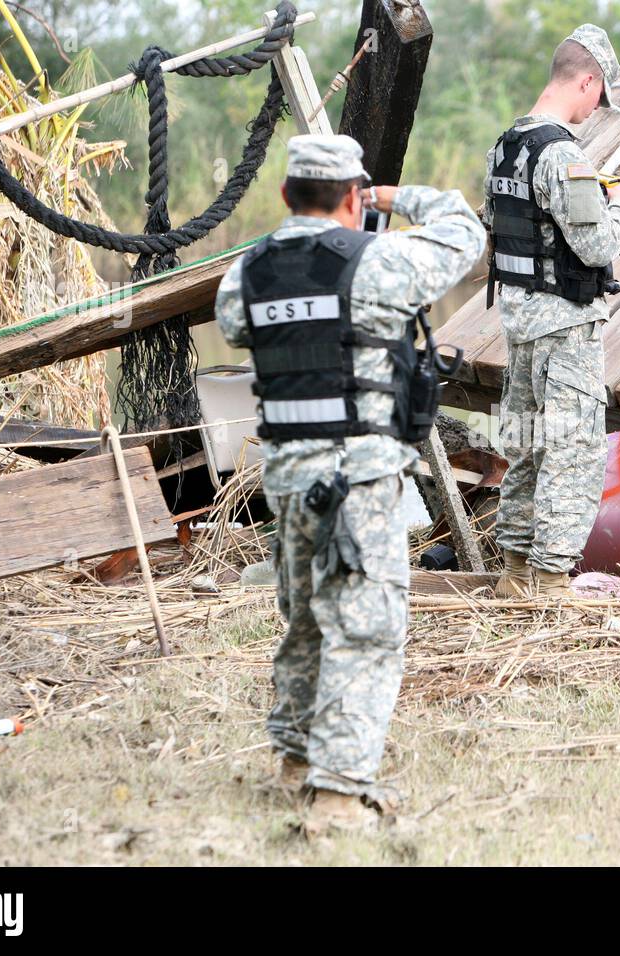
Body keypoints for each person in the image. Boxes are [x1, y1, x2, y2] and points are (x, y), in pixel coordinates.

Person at [215, 134, 485, 833]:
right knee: (363, 629)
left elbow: (234, 327)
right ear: (353, 198)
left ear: (284, 196)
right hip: (358, 480)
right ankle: (336, 795)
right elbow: (464, 233)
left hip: (284, 477)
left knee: (305, 616)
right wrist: (401, 201)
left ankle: (297, 761)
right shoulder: (379, 262)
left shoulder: (248, 273)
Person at [483, 23, 620, 600]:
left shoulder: (505, 145)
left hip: (519, 326)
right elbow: (597, 247)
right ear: (587, 79)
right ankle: (549, 583)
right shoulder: (562, 153)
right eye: (600, 92)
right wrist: (618, 206)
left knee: (523, 445)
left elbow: (495, 225)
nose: (598, 105)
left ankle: (515, 575)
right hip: (566, 328)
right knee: (571, 454)